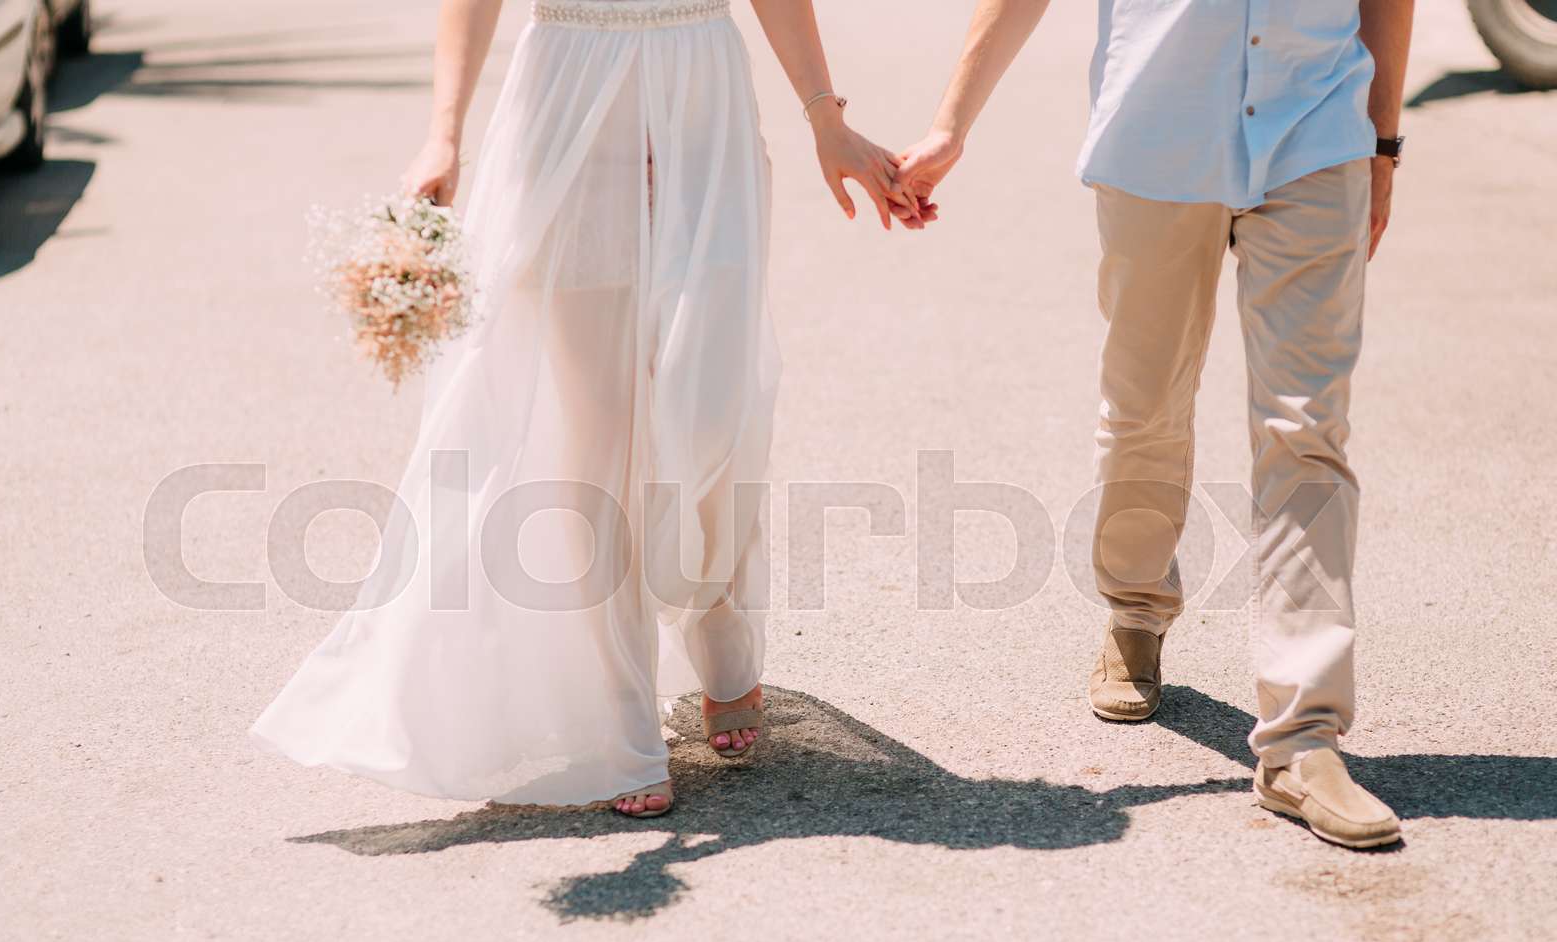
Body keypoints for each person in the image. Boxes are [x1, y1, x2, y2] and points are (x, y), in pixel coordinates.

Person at [251, 0, 931, 818]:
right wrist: (444, 131)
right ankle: (624, 724)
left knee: (711, 409)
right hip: (568, 103)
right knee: (596, 442)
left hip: (699, 96)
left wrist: (825, 117)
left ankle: (721, 632)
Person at [896, 0, 1414, 848]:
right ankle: (1136, 607)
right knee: (1145, 409)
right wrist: (951, 124)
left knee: (1306, 430)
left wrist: (1383, 145)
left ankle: (1301, 738)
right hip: (1157, 135)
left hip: (1320, 131)